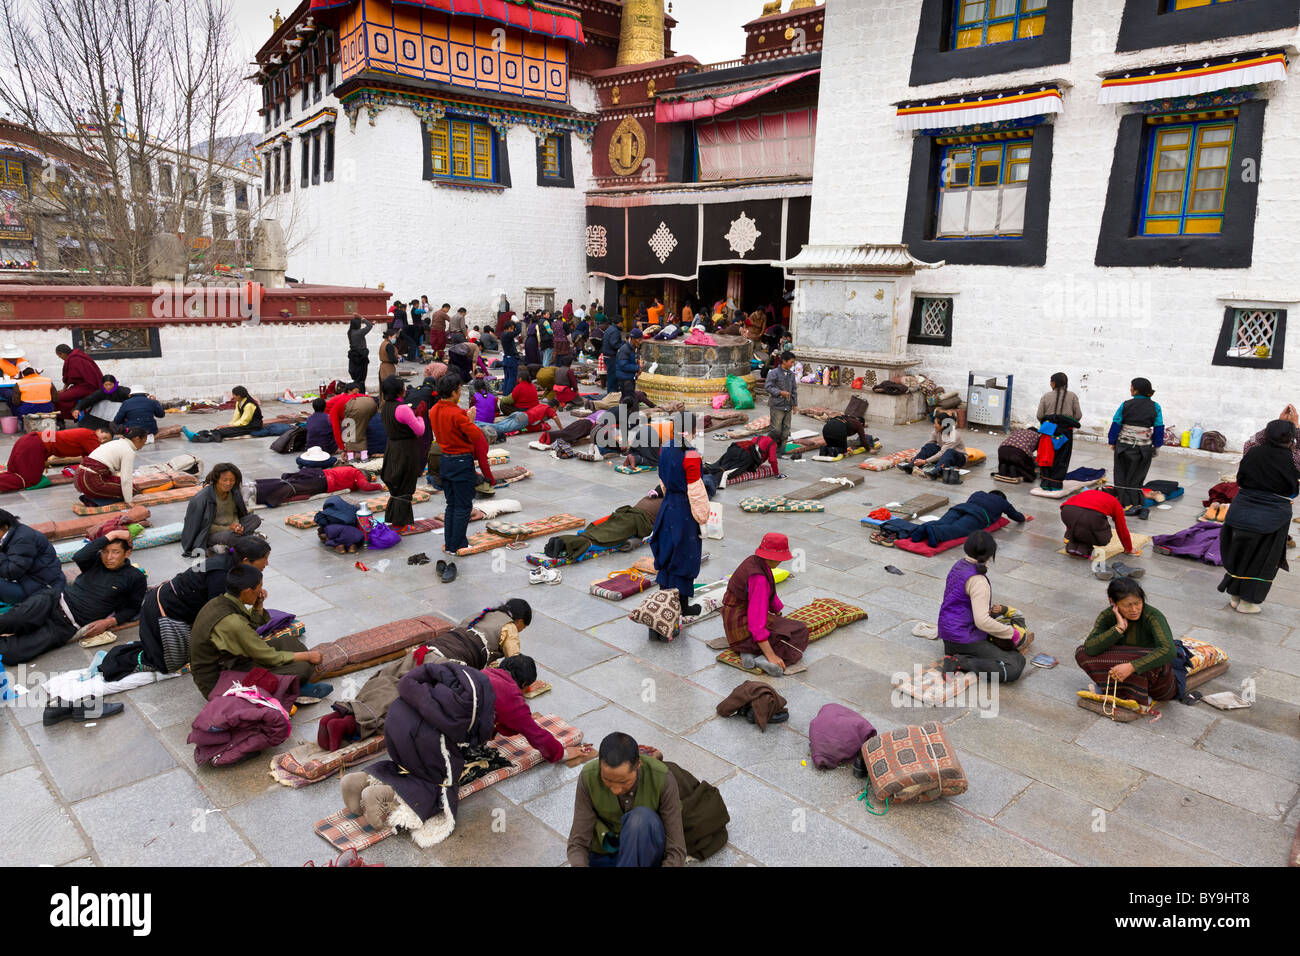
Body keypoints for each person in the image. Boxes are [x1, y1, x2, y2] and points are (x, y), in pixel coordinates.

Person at [319, 599, 535, 747]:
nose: (520, 631)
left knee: (391, 678)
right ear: (519, 621)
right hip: (447, 662)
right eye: (523, 627)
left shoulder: (482, 613)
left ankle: (344, 713)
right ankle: (351, 724)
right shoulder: (510, 627)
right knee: (414, 699)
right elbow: (513, 663)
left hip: (429, 648)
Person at [99, 536, 271, 681]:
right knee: (169, 663)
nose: (267, 563)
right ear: (247, 561)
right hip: (163, 610)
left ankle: (153, 646)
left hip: (174, 603)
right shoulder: (220, 573)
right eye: (265, 558)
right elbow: (218, 614)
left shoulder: (231, 564)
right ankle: (122, 659)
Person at [0, 530, 147, 664]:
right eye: (105, 552)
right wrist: (111, 535)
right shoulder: (95, 562)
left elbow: (133, 607)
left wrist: (108, 622)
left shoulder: (135, 577)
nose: (109, 557)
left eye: (115, 552)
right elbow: (79, 556)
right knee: (11, 620)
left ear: (127, 553)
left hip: (66, 625)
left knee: (12, 654)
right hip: (52, 601)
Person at [188, 564, 326, 699]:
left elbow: (249, 626)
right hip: (217, 681)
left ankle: (292, 683)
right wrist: (307, 656)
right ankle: (292, 688)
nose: (261, 590)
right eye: (259, 586)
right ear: (247, 591)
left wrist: (258, 605)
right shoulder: (231, 622)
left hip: (231, 660)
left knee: (289, 642)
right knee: (302, 668)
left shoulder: (221, 601)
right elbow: (269, 657)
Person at [566, 731, 686, 868]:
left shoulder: (662, 778)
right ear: (599, 766)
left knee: (640, 819)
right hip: (606, 853)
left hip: (645, 853)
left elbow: (676, 850)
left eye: (623, 782)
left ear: (638, 765)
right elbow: (578, 841)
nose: (615, 790)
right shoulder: (588, 777)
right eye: (608, 780)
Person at [1217, 417, 1299, 614]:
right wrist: (1295, 427)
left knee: (1239, 554)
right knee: (1262, 559)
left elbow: (1253, 440)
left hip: (1240, 511)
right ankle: (1247, 602)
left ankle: (1235, 596)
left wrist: (1279, 423)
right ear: (1292, 439)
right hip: (1272, 517)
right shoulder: (1294, 458)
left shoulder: (1252, 450)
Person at [937, 531, 1032, 684]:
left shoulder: (959, 565)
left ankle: (957, 653)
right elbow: (981, 622)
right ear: (990, 554)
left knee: (998, 619)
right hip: (962, 637)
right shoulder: (978, 580)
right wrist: (1011, 633)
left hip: (948, 632)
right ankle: (959, 661)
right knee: (1015, 663)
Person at [1075, 577, 1177, 707]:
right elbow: (1090, 648)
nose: (1134, 610)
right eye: (1127, 605)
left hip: (1157, 684)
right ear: (1113, 602)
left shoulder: (1153, 616)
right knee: (1082, 652)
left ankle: (1138, 695)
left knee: (1157, 657)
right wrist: (1117, 630)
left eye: (1138, 603)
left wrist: (1132, 666)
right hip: (1123, 670)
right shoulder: (1107, 616)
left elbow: (1169, 650)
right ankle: (1118, 690)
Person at [649, 419, 707, 636]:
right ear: (693, 430)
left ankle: (670, 604)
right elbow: (695, 489)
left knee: (668, 555)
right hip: (684, 510)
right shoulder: (690, 453)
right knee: (684, 557)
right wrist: (702, 516)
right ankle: (679, 608)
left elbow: (662, 479)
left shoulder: (666, 448)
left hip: (668, 506)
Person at [430, 374, 492, 578]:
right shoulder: (457, 414)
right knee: (464, 506)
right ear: (455, 392)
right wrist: (471, 420)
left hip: (445, 461)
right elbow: (475, 436)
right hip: (461, 461)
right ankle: (457, 544)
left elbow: (451, 425)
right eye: (459, 390)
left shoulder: (434, 410)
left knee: (452, 504)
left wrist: (465, 417)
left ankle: (450, 543)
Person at [722, 532, 809, 675]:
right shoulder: (759, 579)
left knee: (781, 625)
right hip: (744, 629)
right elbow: (756, 623)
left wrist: (777, 610)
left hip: (733, 625)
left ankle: (748, 653)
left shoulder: (754, 561)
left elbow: (769, 596)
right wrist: (771, 655)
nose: (781, 561)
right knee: (800, 631)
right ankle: (763, 658)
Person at [876, 489, 1026, 548]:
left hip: (960, 508)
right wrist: (1023, 518)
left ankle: (920, 530)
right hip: (978, 516)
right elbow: (1017, 516)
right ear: (1001, 497)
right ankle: (933, 533)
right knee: (957, 529)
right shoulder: (1002, 502)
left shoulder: (978, 493)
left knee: (942, 522)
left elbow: (970, 503)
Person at [181, 462, 262, 556]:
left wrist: (237, 526)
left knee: (255, 519)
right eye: (225, 480)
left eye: (232, 480)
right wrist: (229, 528)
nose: (228, 483)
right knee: (230, 537)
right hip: (211, 533)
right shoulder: (203, 499)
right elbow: (203, 527)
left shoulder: (234, 492)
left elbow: (235, 513)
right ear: (217, 480)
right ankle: (246, 540)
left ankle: (235, 543)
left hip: (232, 528)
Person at [1108, 377, 1164, 510]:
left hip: (1123, 446)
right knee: (1138, 474)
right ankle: (1135, 500)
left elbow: (1116, 423)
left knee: (1121, 473)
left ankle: (1121, 500)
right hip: (1144, 449)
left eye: (1131, 387)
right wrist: (1157, 445)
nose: (1130, 389)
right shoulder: (1155, 407)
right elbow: (1159, 427)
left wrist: (1112, 441)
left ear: (1136, 390)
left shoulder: (1125, 404)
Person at [0, 425, 108, 493]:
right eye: (103, 437)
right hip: (35, 445)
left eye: (106, 440)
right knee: (28, 481)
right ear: (97, 430)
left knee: (14, 471)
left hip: (28, 439)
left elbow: (88, 460)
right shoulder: (91, 436)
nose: (102, 441)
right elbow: (99, 458)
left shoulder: (85, 432)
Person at [379, 375, 424, 532]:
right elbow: (420, 430)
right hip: (406, 449)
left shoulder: (385, 407)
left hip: (392, 448)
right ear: (400, 391)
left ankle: (396, 519)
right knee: (405, 484)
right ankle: (400, 523)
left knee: (397, 483)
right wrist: (419, 416)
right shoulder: (403, 409)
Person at [1061, 486, 1143, 565]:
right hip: (1092, 516)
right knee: (1102, 536)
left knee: (1082, 525)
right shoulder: (1114, 501)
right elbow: (1121, 527)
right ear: (1116, 496)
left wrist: (1069, 534)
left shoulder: (1088, 492)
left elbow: (1068, 509)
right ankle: (1085, 550)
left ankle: (1072, 547)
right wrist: (1128, 548)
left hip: (1067, 511)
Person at [0, 508, 63, 603]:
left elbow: (11, 572)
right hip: (28, 580)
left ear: (4, 527)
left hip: (41, 588)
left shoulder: (22, 540)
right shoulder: (14, 532)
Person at [74, 427, 148, 504]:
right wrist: (129, 501)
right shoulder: (128, 450)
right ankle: (95, 501)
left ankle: (92, 496)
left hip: (80, 479)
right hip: (91, 481)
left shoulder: (115, 442)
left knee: (120, 484)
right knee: (132, 489)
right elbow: (126, 479)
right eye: (144, 441)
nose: (143, 445)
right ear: (137, 439)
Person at [1037, 372, 1082, 491]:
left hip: (1048, 432)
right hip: (1065, 432)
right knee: (1062, 457)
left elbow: (1040, 415)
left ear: (1053, 383)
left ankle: (1046, 483)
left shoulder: (1046, 396)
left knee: (1047, 456)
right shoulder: (1072, 396)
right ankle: (1056, 484)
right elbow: (1078, 415)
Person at [182, 385, 263, 443]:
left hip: (252, 427)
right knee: (218, 429)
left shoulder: (249, 405)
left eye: (234, 395)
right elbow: (236, 417)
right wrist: (229, 425)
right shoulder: (239, 402)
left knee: (223, 432)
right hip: (245, 425)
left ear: (239, 395)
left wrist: (227, 426)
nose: (233, 396)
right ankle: (197, 434)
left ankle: (197, 438)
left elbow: (243, 421)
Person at [901, 411, 967, 477]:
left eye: (935, 424)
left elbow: (942, 453)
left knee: (949, 452)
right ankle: (912, 464)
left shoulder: (954, 435)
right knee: (930, 446)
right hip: (944, 455)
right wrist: (915, 455)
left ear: (942, 426)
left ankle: (937, 470)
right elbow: (928, 444)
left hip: (958, 458)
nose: (934, 425)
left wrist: (925, 461)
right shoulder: (937, 431)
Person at [54, 343, 104, 421]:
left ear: (63, 354)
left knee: (58, 398)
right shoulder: (78, 355)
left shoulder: (74, 359)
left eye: (59, 356)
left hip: (88, 387)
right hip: (87, 385)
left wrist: (64, 390)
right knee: (64, 395)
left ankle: (63, 418)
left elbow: (69, 379)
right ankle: (75, 414)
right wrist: (64, 390)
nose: (60, 357)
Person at [765, 351, 798, 457]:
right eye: (791, 362)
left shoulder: (791, 375)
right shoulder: (773, 373)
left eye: (793, 362)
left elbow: (794, 390)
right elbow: (768, 387)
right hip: (777, 405)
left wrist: (795, 404)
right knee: (776, 430)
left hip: (788, 406)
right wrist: (779, 392)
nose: (792, 364)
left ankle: (780, 451)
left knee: (786, 430)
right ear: (784, 361)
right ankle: (766, 445)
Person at [340, 388, 379, 462]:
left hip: (369, 448)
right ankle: (362, 457)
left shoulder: (352, 417)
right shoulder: (376, 416)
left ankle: (351, 458)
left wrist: (342, 449)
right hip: (380, 449)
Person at [615, 328, 643, 405]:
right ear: (633, 339)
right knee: (628, 400)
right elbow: (623, 365)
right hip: (625, 379)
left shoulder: (632, 349)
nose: (640, 342)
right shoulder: (625, 349)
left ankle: (624, 415)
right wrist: (637, 367)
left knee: (626, 400)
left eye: (641, 340)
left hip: (628, 377)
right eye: (639, 340)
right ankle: (627, 416)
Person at [347, 315, 373, 387]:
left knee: (357, 377)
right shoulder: (359, 333)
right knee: (361, 378)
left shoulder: (350, 332)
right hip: (361, 356)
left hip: (355, 355)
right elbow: (370, 326)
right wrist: (361, 317)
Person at [600, 317, 623, 393]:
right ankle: (611, 393)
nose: (622, 325)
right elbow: (614, 344)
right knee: (612, 376)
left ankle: (611, 393)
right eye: (622, 323)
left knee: (611, 375)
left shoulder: (610, 329)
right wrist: (623, 345)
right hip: (611, 356)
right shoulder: (615, 331)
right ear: (619, 323)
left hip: (607, 355)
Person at [377, 328, 400, 393]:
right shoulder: (389, 345)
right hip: (388, 368)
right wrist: (397, 359)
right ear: (390, 337)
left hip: (383, 367)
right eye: (394, 337)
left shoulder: (384, 343)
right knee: (390, 386)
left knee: (384, 386)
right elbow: (392, 359)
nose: (395, 339)